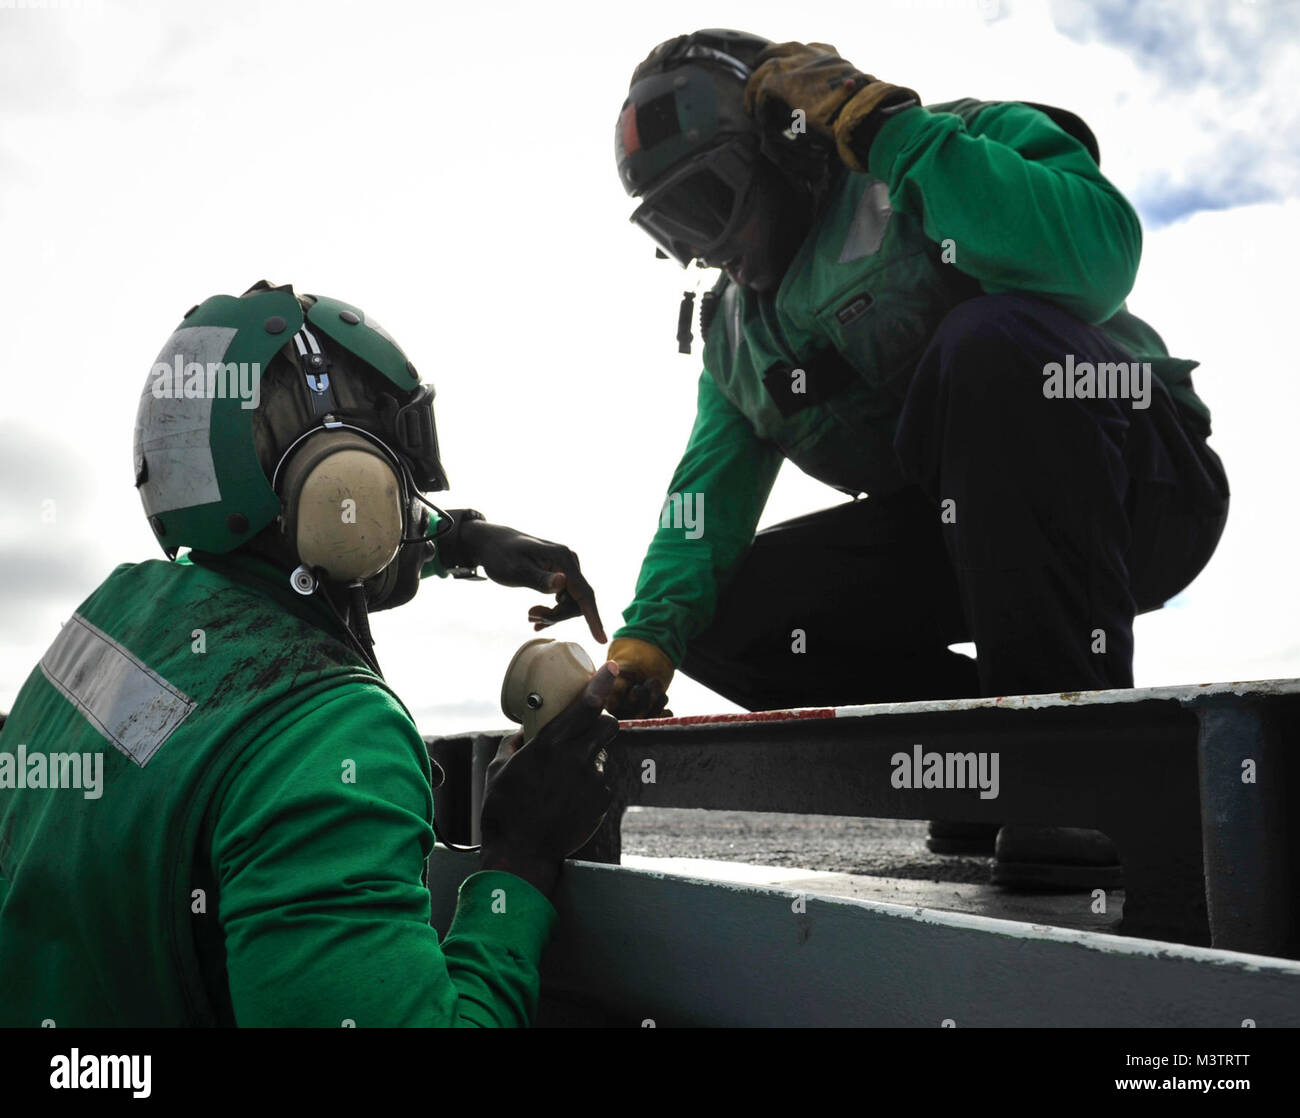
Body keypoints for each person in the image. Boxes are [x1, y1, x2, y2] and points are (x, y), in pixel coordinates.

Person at [602, 31, 1230, 886]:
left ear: (785, 151)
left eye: (710, 202)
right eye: (674, 230)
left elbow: (1099, 254)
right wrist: (646, 641)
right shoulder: (739, 340)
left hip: (1144, 486)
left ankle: (1076, 773)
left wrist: (893, 133)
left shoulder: (938, 149)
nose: (708, 248)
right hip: (970, 535)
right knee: (724, 613)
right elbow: (702, 502)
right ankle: (978, 768)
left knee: (995, 344)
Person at [0, 280, 617, 1026]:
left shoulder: (109, 621)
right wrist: (521, 859)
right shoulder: (329, 735)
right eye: (397, 474)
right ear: (344, 481)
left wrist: (471, 540)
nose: (407, 506)